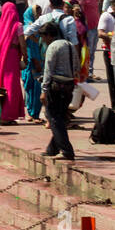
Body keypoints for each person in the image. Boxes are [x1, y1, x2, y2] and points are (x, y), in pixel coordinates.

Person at [40, 22, 79, 160]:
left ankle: (67, 150)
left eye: (43, 36)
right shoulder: (69, 45)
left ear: (49, 35)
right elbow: (76, 66)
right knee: (60, 117)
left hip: (56, 86)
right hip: (69, 85)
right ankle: (52, 148)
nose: (42, 40)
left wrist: (44, 90)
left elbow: (48, 69)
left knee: (53, 118)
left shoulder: (52, 47)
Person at [0, 1, 27, 123]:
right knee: (12, 85)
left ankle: (1, 113)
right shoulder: (18, 25)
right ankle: (7, 115)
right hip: (12, 56)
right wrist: (25, 57)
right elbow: (22, 45)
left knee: (2, 84)